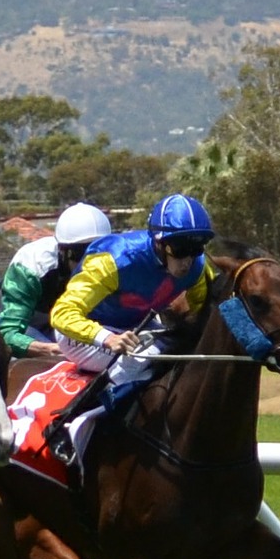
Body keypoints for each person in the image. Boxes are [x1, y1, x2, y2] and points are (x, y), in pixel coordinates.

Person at [42, 193, 217, 463]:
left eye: (196, 249)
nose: (187, 261)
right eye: (180, 249)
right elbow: (63, 314)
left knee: (178, 347)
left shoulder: (196, 268)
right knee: (145, 355)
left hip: (134, 328)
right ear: (159, 243)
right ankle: (71, 422)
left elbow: (203, 311)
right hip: (79, 332)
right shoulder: (114, 261)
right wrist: (105, 338)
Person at [0, 202, 113, 359]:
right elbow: (7, 333)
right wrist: (50, 350)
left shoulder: (116, 262)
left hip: (74, 328)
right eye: (80, 254)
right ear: (62, 251)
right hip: (32, 327)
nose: (90, 263)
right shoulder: (31, 264)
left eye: (99, 253)